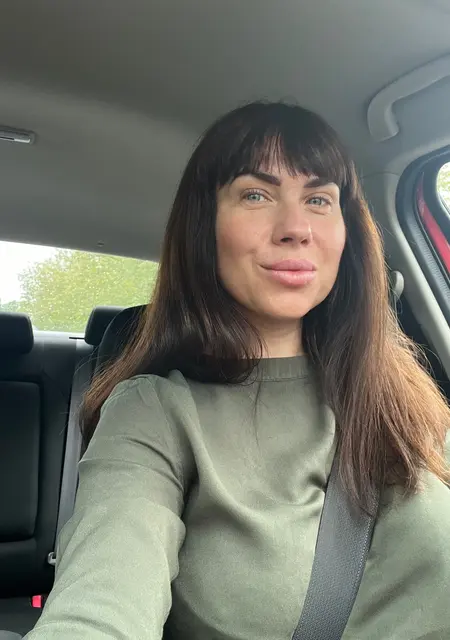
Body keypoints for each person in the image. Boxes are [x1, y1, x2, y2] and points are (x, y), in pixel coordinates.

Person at [25, 102, 450, 640]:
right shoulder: (154, 412)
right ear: (205, 228)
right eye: (256, 195)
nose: (296, 228)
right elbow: (97, 610)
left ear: (348, 234)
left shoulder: (409, 396)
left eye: (319, 199)